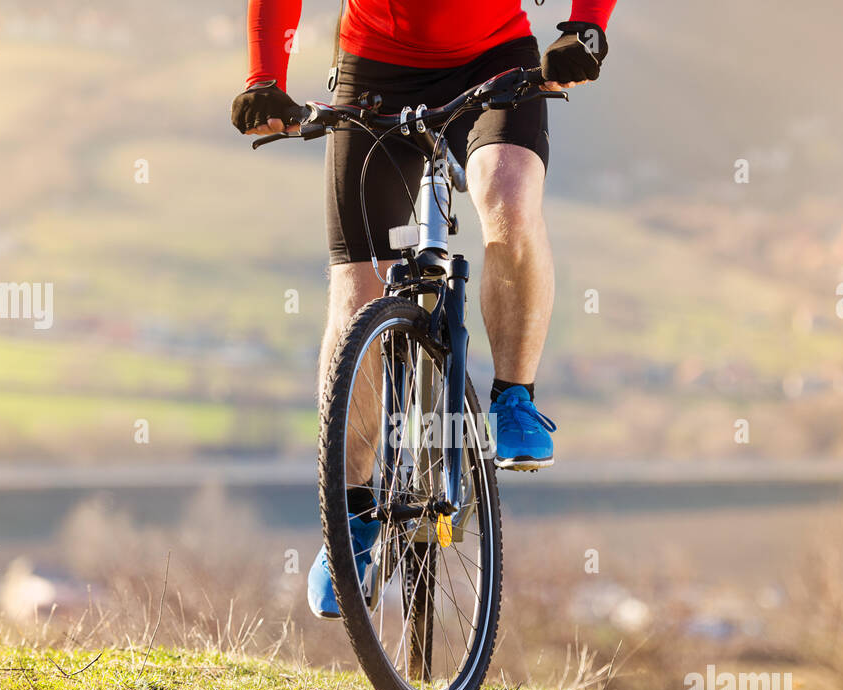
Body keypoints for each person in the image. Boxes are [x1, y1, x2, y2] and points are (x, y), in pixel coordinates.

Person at [231, 0, 616, 619]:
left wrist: (587, 28)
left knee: (509, 204)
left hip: (493, 60)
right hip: (375, 70)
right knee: (358, 295)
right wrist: (264, 78)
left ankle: (514, 399)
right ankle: (350, 525)